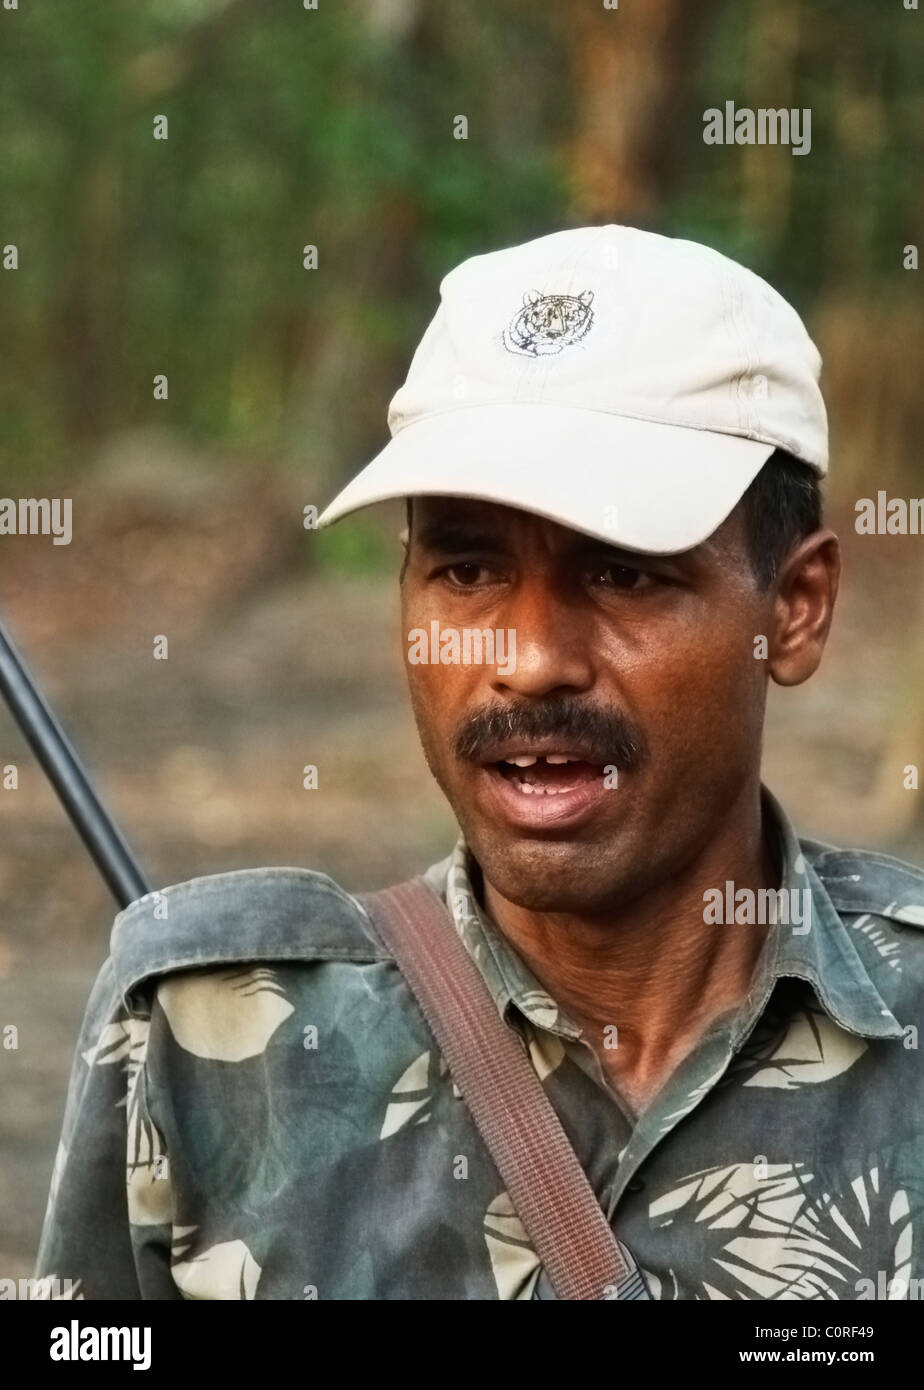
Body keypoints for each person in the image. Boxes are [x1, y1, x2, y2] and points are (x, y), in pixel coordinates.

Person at [35, 226, 924, 1300]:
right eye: (466, 568)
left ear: (794, 608)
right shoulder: (204, 1036)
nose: (531, 660)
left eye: (627, 575)